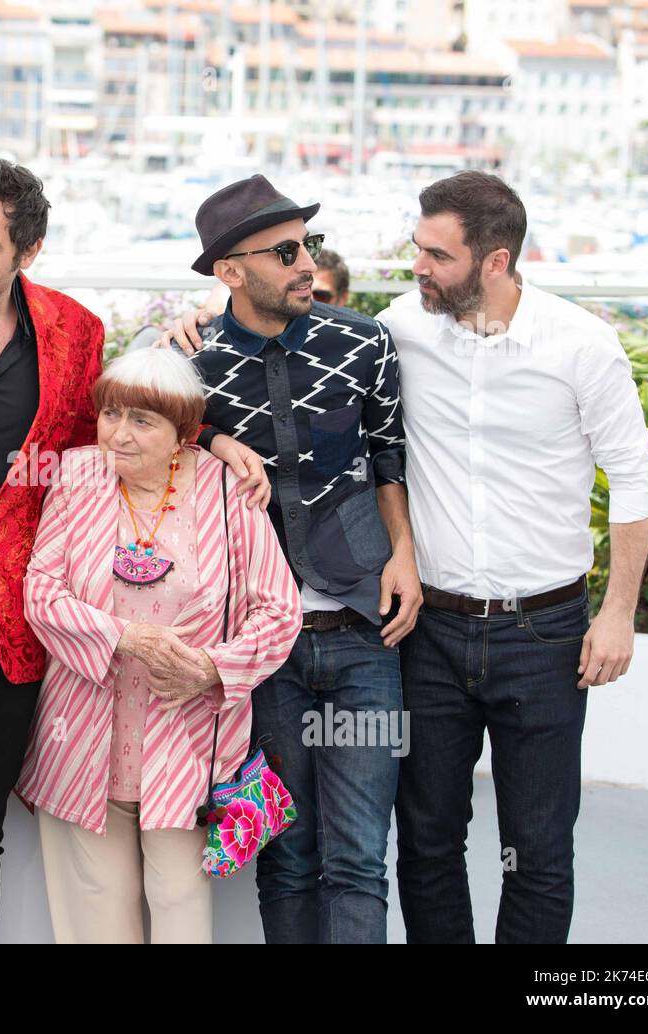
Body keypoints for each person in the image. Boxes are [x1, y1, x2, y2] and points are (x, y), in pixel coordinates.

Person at [0, 152, 272, 944]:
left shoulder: (75, 331)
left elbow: (107, 435)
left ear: (27, 252)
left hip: (14, 634)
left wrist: (214, 441)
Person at [377, 171, 648, 943]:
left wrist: (618, 613)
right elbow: (319, 352)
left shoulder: (580, 345)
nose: (419, 269)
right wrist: (201, 321)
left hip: (546, 636)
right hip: (429, 631)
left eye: (438, 256)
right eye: (418, 249)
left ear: (495, 261)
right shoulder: (404, 325)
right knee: (427, 838)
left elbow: (636, 478)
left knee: (537, 850)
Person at [157, 174, 421, 944]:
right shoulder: (189, 363)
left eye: (305, 245)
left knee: (358, 858)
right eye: (283, 251)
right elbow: (130, 428)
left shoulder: (365, 343)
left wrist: (403, 553)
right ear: (229, 272)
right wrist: (210, 436)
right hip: (258, 648)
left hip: (365, 631)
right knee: (289, 855)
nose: (304, 262)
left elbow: (389, 457)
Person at [16, 347, 302, 943]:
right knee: (94, 918)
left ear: (184, 434)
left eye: (142, 421)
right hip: (82, 738)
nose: (118, 434)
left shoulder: (228, 489)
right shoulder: (76, 474)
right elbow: (40, 593)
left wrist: (212, 670)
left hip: (189, 742)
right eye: (111, 414)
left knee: (180, 909)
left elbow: (278, 610)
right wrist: (125, 636)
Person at [164, 246, 356, 350]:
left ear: (343, 297)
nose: (309, 298)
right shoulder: (203, 341)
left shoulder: (364, 343)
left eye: (322, 295)